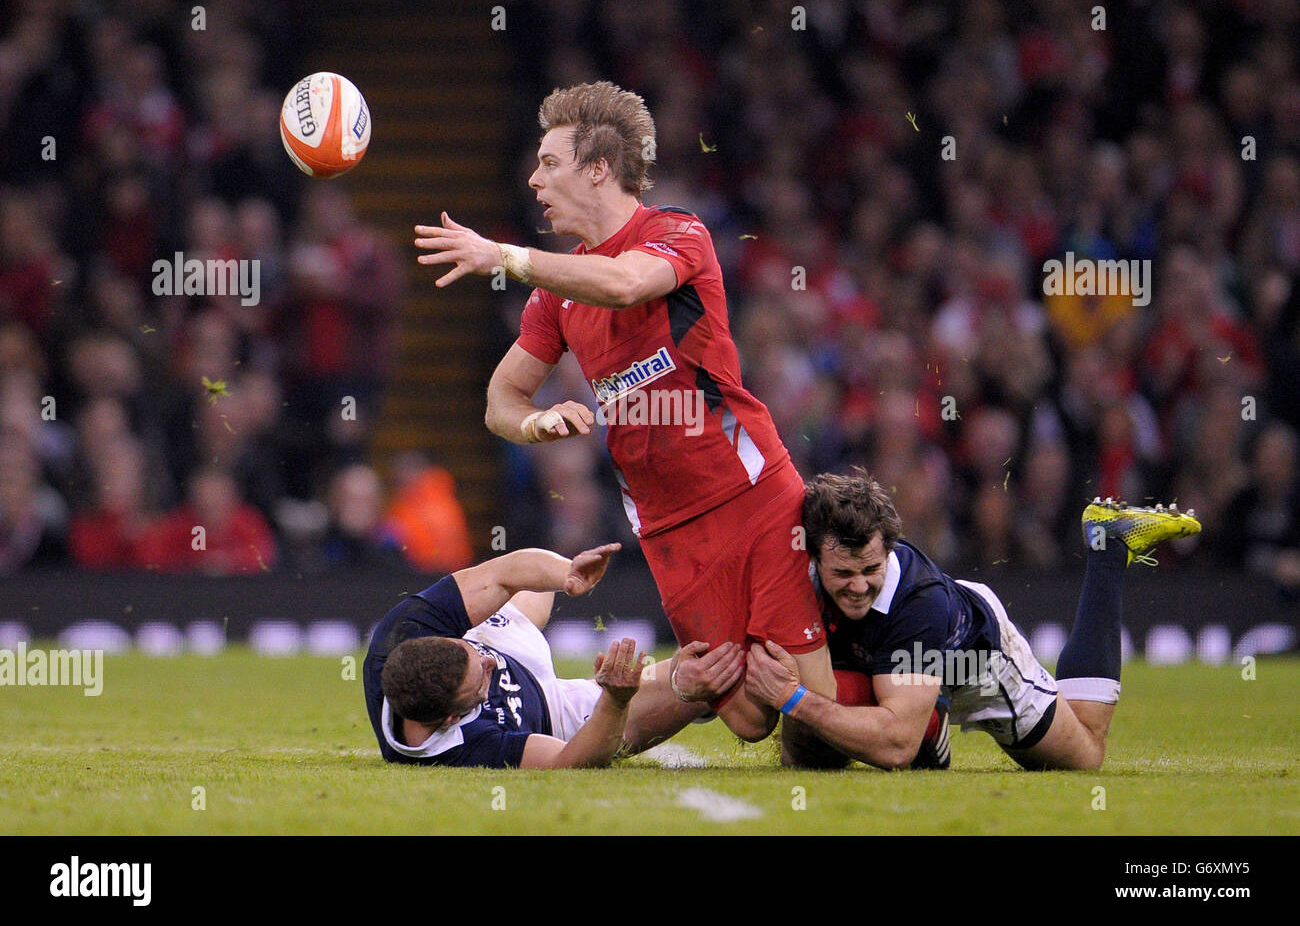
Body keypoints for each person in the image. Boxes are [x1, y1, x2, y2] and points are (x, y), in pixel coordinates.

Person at [412, 80, 835, 760]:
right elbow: (501, 399)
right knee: (751, 719)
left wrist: (507, 258)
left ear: (599, 168)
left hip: (750, 493)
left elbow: (624, 283)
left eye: (549, 162)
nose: (534, 179)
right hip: (667, 526)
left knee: (818, 726)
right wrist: (535, 425)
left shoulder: (677, 233)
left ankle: (894, 676)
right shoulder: (557, 294)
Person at [744, 471, 1202, 770]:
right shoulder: (791, 574)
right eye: (842, 573)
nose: (859, 586)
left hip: (976, 664)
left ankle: (1108, 548)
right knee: (812, 746)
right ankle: (930, 721)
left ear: (888, 551)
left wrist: (791, 697)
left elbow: (895, 748)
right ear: (812, 558)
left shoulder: (921, 604)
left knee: (1083, 756)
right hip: (888, 666)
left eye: (871, 570)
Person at [363, 542, 737, 768]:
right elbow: (570, 760)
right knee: (704, 677)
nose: (489, 663)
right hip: (553, 714)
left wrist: (567, 574)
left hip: (498, 638)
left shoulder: (400, 635)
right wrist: (615, 700)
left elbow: (504, 572)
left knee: (524, 584)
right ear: (450, 718)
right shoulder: (462, 747)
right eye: (481, 677)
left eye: (468, 653)